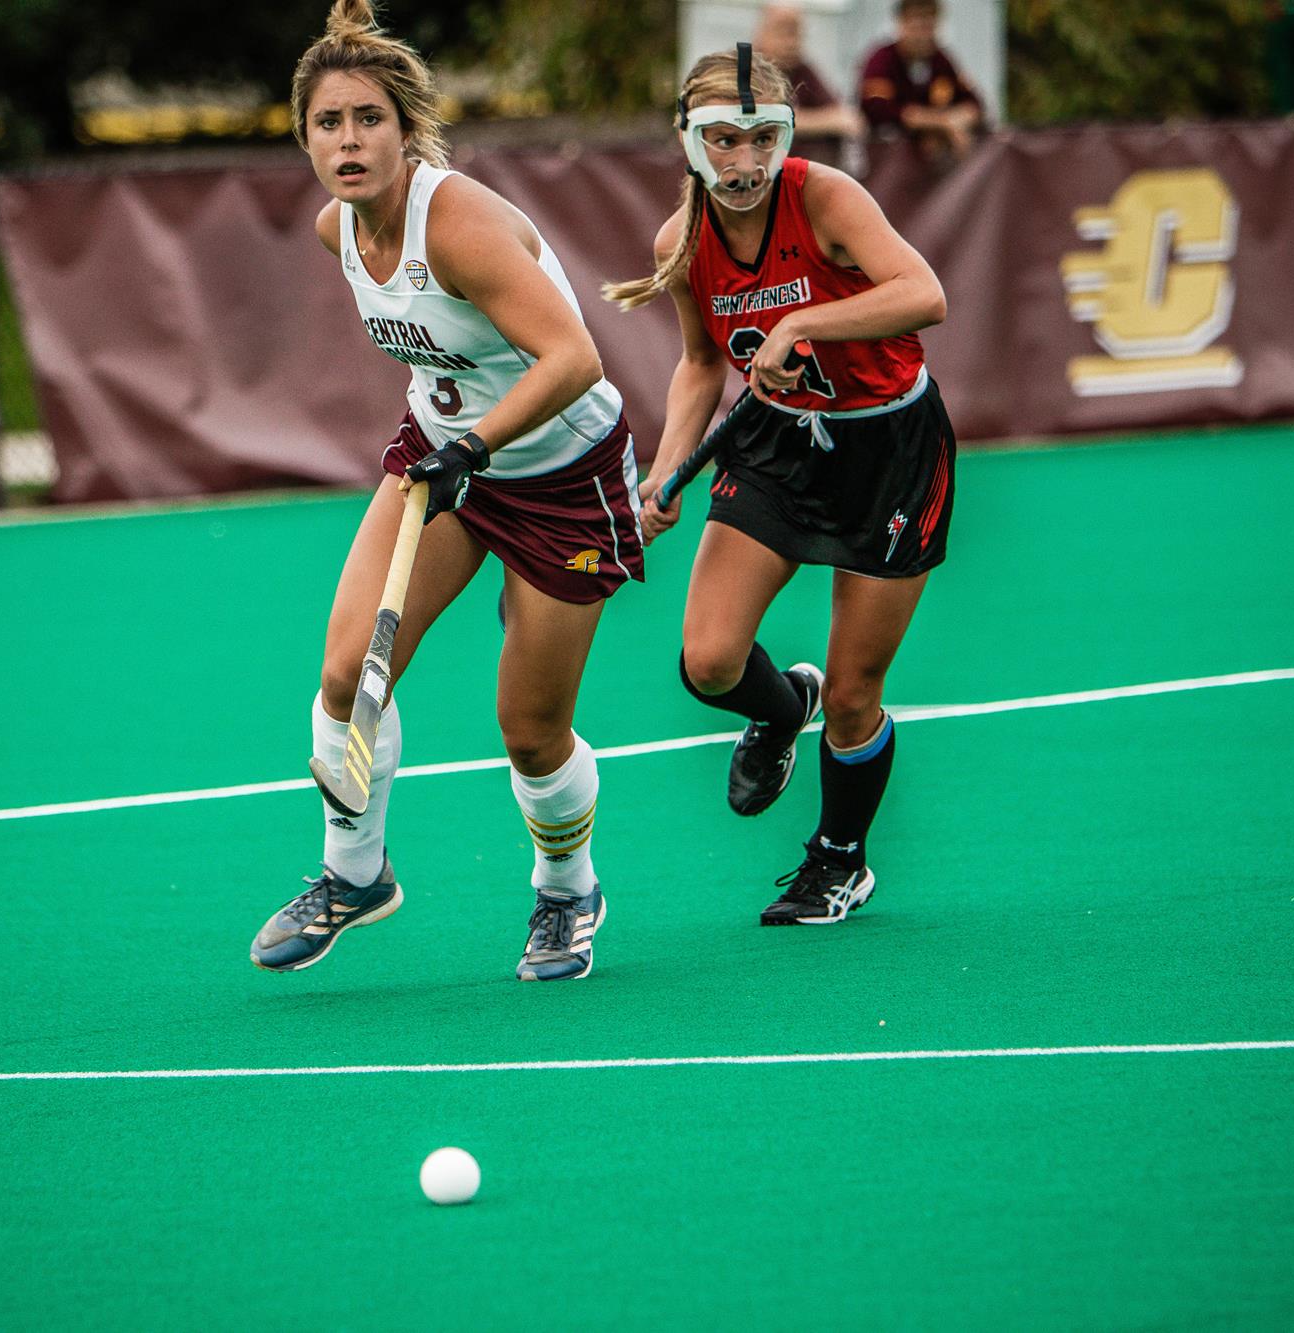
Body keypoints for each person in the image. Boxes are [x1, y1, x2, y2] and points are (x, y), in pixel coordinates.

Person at [249, 0, 643, 982]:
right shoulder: (331, 230)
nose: (347, 140)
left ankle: (566, 888)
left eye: (367, 119)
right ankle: (354, 874)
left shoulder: (456, 223)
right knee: (346, 677)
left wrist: (473, 441)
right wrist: (451, 439)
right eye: (327, 123)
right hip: (442, 456)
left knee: (531, 730)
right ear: (303, 137)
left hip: (564, 472)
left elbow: (573, 359)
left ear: (404, 128)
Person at [603, 44, 953, 926]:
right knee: (709, 662)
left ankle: (840, 858)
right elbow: (696, 363)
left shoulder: (826, 197)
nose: (745, 162)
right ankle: (776, 704)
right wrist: (666, 469)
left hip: (891, 453)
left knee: (855, 693)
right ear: (688, 140)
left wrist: (803, 319)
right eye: (722, 139)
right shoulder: (681, 241)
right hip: (775, 451)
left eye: (763, 138)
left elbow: (925, 293)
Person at [859, 0, 984, 165]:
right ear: (900, 24)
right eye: (916, 26)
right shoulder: (881, 59)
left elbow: (974, 103)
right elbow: (877, 108)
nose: (922, 35)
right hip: (888, 165)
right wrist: (939, 123)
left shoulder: (942, 60)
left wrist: (959, 120)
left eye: (929, 26)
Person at [753, 3, 868, 145]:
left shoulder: (802, 69)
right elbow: (761, 117)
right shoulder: (747, 68)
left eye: (796, 33)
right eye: (782, 32)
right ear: (761, 32)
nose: (791, 43)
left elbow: (844, 115)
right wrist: (823, 122)